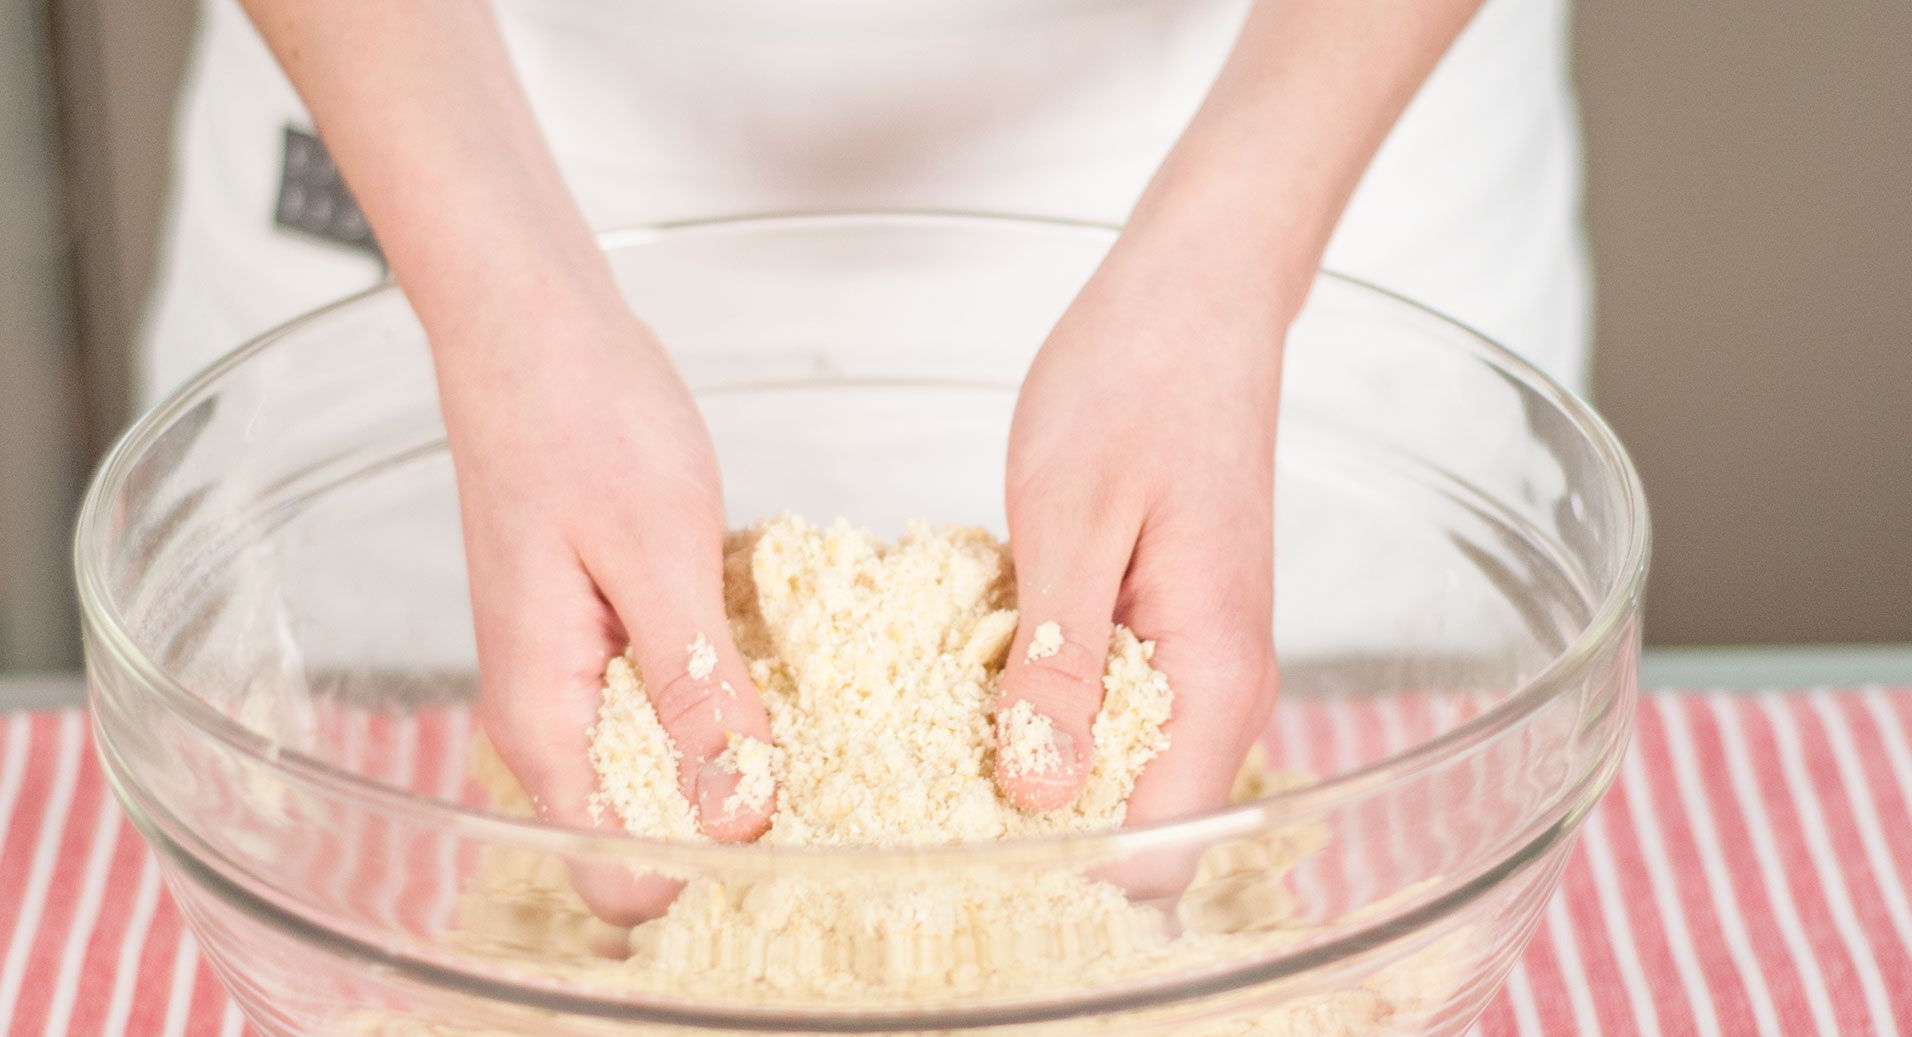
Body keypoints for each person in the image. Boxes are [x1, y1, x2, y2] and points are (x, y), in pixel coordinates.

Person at [141, 0, 1590, 841]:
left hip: (1287, 126)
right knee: (434, 829)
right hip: (440, 122)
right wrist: (488, 282)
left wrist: (1249, 238)